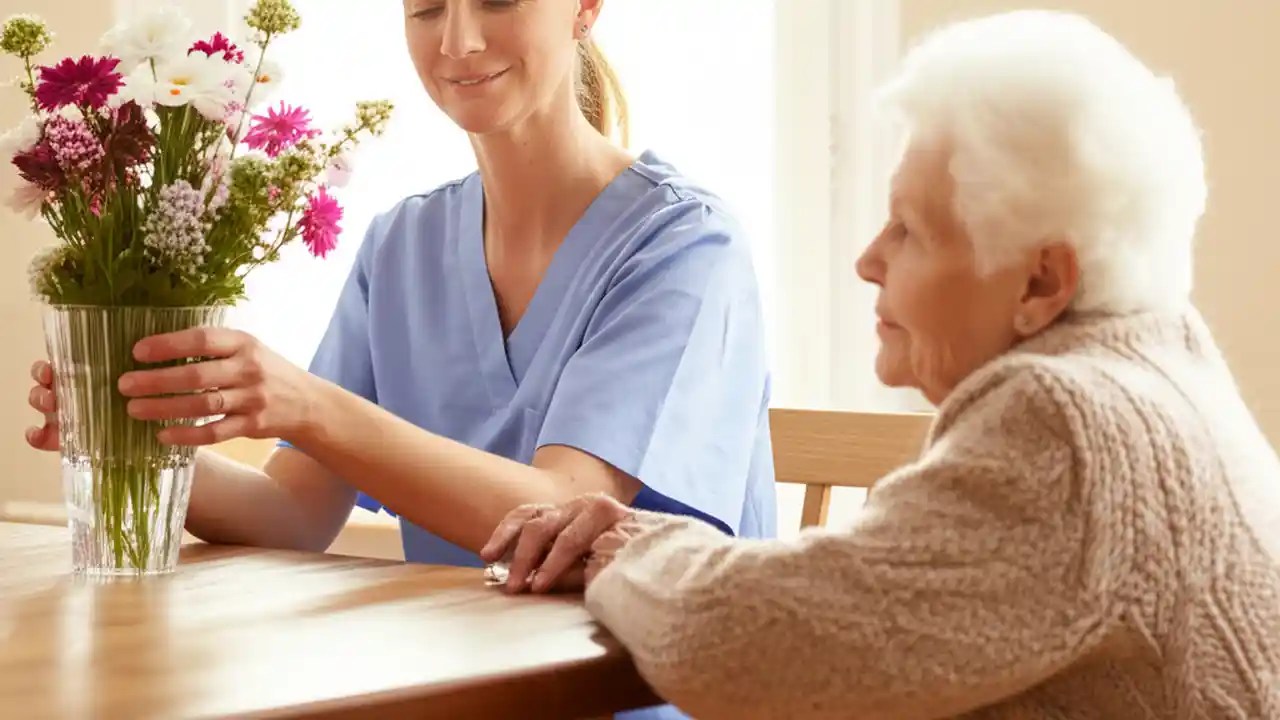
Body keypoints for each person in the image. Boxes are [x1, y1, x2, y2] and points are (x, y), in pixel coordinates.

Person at [483, 10, 1280, 719]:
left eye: (910, 230)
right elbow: (859, 598)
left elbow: (745, 647)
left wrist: (636, 552)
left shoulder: (1066, 423)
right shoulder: (1161, 362)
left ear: (1041, 280)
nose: (868, 261)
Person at [27, 0, 773, 673]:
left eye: (498, 1)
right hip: (457, 677)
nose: (459, 40)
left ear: (584, 8)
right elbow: (291, 515)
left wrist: (307, 404)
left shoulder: (683, 246)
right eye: (426, 9)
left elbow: (559, 516)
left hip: (629, 691)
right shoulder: (404, 244)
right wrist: (134, 429)